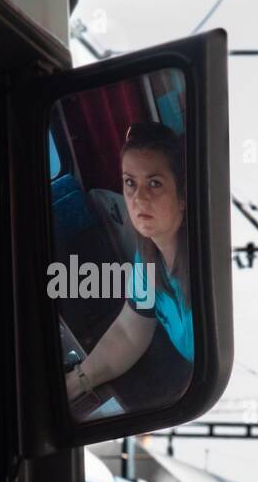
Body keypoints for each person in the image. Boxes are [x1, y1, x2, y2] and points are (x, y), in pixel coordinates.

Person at [66, 122, 193, 405]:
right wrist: (75, 383)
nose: (138, 198)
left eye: (154, 183)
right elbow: (129, 329)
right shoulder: (147, 255)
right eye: (130, 183)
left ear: (183, 196)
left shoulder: (205, 263)